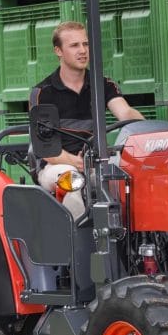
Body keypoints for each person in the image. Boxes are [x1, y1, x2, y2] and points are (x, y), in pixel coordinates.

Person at [30, 20, 144, 218]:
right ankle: (78, 242)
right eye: (74, 45)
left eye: (86, 44)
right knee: (72, 179)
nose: (82, 51)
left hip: (94, 163)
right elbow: (47, 150)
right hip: (55, 165)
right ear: (58, 51)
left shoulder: (102, 84)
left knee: (128, 180)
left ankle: (129, 242)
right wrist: (77, 163)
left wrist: (146, 129)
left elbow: (124, 113)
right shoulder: (43, 93)